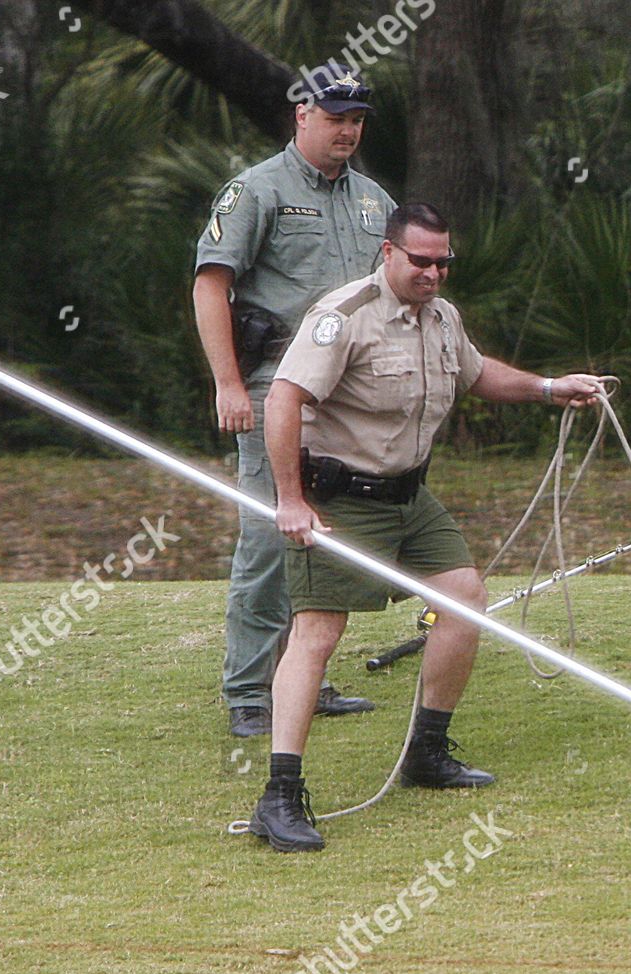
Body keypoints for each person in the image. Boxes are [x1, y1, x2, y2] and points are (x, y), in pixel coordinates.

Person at [247, 202, 605, 852]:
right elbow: (284, 399)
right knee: (318, 634)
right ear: (388, 254)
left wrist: (552, 389)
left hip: (409, 497)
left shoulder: (441, 319)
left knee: (464, 595)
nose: (434, 273)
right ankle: (279, 795)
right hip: (339, 496)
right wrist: (291, 499)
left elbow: (477, 373)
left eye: (443, 262)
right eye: (421, 261)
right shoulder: (344, 316)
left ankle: (427, 750)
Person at [194, 61, 396, 738]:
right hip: (273, 384)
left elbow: (388, 297)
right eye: (336, 117)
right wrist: (227, 383)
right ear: (302, 114)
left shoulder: (374, 202)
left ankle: (304, 675)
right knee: (265, 537)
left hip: (345, 394)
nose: (348, 130)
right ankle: (250, 692)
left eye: (357, 119)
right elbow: (210, 285)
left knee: (325, 538)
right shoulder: (257, 191)